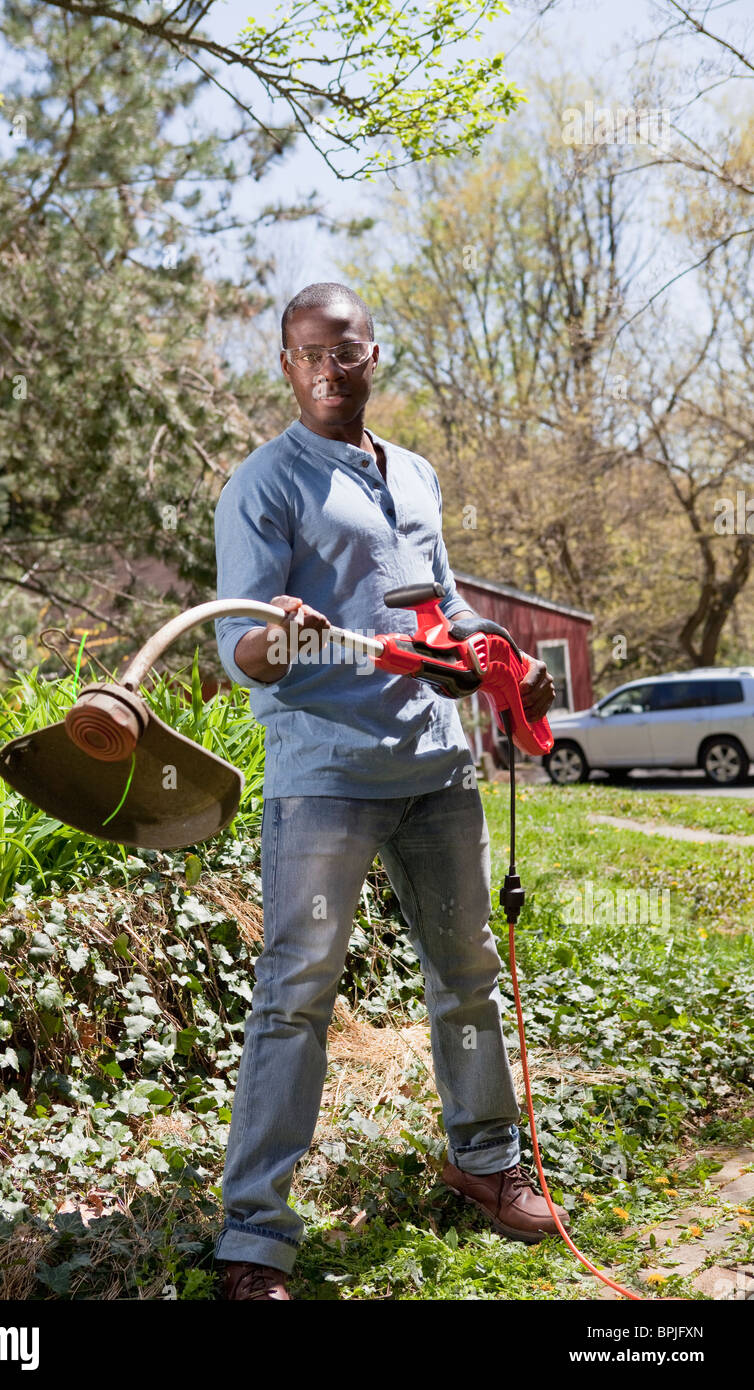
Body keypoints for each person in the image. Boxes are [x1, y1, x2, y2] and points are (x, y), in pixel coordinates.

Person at [211, 282, 571, 1302]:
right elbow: (237, 645)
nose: (327, 369)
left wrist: (491, 657)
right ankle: (254, 1239)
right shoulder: (263, 485)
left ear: (372, 356)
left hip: (437, 770)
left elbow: (441, 605)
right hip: (324, 782)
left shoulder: (411, 473)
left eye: (344, 351)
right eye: (306, 355)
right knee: (294, 1000)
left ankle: (485, 1160)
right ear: (286, 366)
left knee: (465, 978)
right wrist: (270, 639)